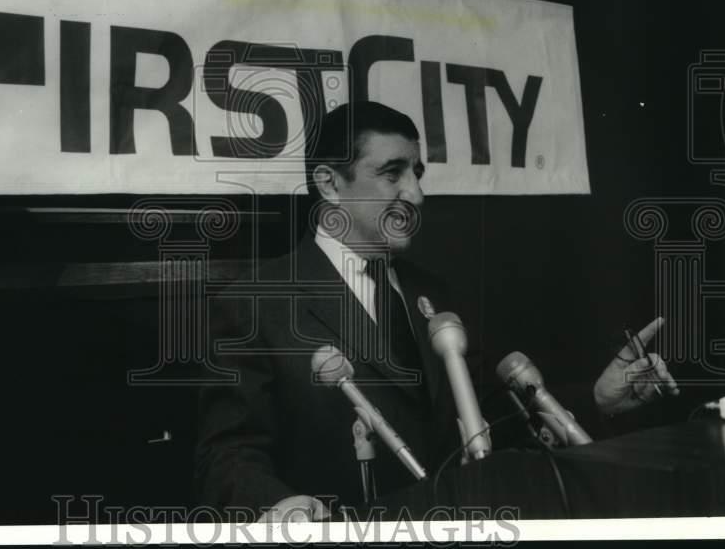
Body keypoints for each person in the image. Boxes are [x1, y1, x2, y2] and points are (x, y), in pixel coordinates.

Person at [194, 101, 678, 523]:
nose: (416, 196)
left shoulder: (433, 292)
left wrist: (598, 399)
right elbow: (229, 453)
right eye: (392, 173)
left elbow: (492, 415)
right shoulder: (254, 303)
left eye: (417, 174)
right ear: (329, 183)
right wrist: (280, 507)